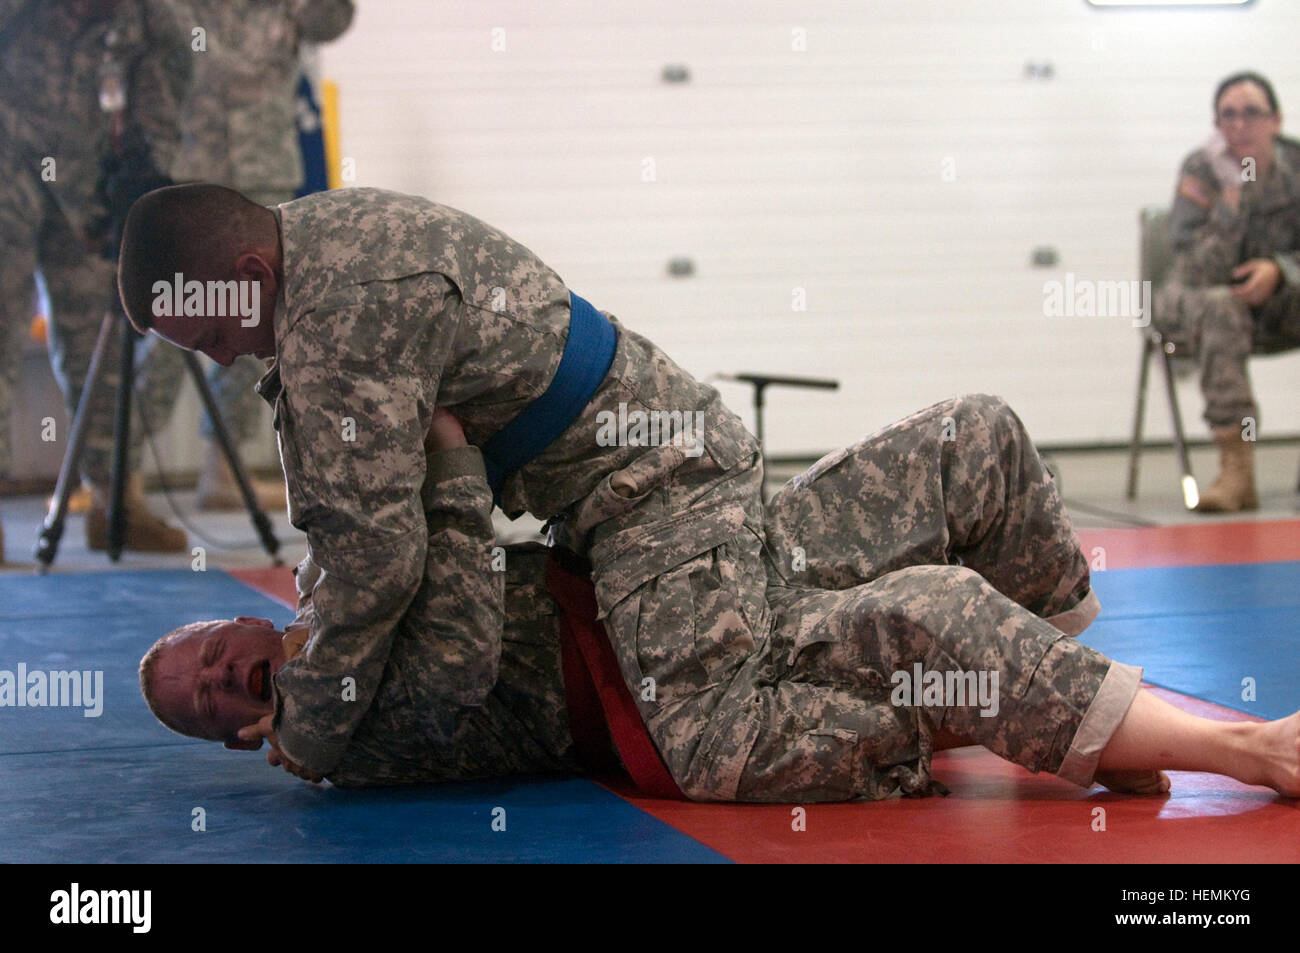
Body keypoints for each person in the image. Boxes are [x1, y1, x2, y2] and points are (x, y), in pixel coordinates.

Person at [138, 397, 1300, 800]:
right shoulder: (339, 730)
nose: (216, 678)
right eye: (203, 704)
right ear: (241, 730)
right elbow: (458, 637)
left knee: (972, 438)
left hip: (693, 558)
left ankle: (1085, 723)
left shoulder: (339, 597)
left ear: (242, 620)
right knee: (932, 607)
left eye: (201, 655)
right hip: (677, 671)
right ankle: (1248, 749)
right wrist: (448, 462)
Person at [132, 0, 354, 511]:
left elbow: (334, 19)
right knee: (174, 331)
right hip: (196, 182)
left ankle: (223, 474)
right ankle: (120, 481)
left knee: (253, 333)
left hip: (265, 177)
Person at [0, 0, 191, 560]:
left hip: (86, 189)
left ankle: (115, 504)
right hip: (7, 164)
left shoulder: (144, 18)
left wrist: (142, 179)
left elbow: (170, 81)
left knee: (101, 344)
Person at [1154, 71, 1300, 513]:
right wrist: (1231, 200)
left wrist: (1279, 268)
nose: (1238, 125)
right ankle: (1237, 470)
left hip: (1278, 298)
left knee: (1232, 305)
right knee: (1222, 306)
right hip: (1197, 300)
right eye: (1227, 116)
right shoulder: (1201, 170)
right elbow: (1197, 267)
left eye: (1251, 113)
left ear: (1275, 119)